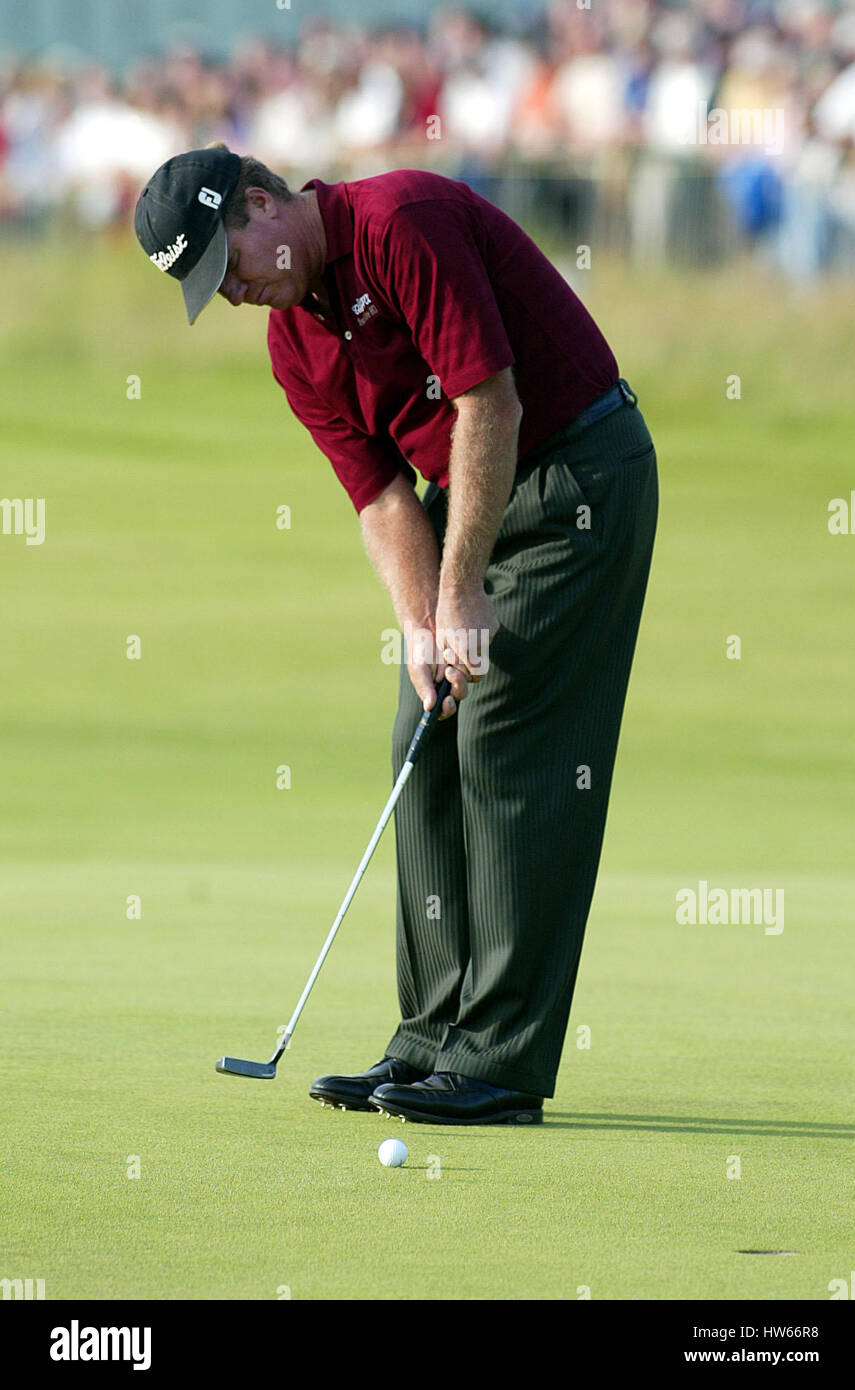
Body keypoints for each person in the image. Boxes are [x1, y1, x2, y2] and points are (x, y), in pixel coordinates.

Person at [135, 146, 658, 1126]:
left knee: (504, 732)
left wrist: (457, 592)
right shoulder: (295, 341)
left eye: (229, 263)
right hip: (469, 494)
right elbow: (379, 498)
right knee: (421, 738)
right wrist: (420, 623)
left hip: (576, 474)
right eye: (211, 288)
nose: (237, 292)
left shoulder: (398, 221)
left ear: (260, 202)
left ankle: (498, 1060)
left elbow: (488, 401)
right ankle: (430, 1040)